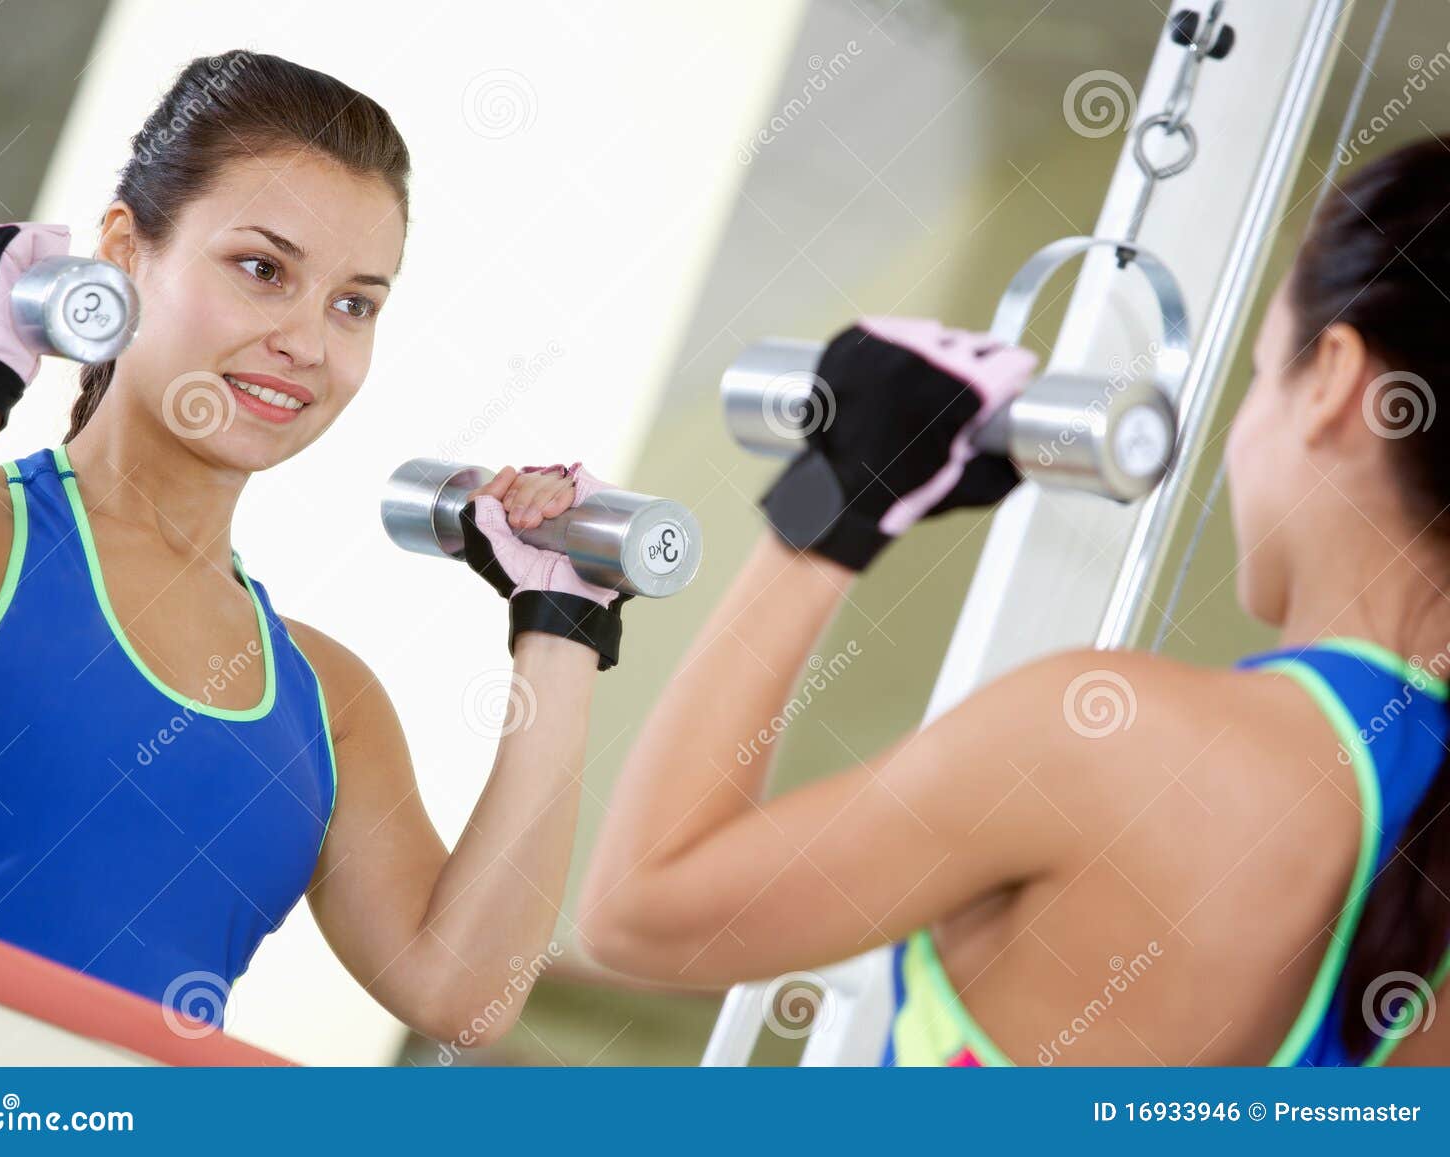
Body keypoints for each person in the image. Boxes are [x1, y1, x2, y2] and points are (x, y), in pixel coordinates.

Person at [573, 135, 1450, 1066]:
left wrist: (834, 501)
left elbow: (639, 911)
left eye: (1262, 374)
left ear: (1335, 381)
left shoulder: (1116, 741)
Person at [0, 50, 629, 1045]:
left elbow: (462, 995)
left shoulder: (328, 699)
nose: (308, 341)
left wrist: (562, 622)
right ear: (124, 252)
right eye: (263, 270)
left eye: (354, 303)